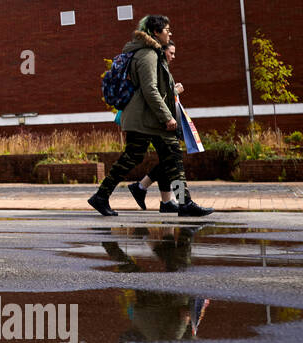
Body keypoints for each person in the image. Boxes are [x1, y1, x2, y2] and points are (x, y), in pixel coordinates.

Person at [88, 15, 213, 217]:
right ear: (156, 32)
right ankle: (183, 203)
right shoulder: (147, 54)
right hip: (147, 119)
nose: (169, 33)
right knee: (156, 158)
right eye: (167, 30)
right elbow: (150, 89)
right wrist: (167, 117)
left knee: (163, 158)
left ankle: (102, 196)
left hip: (147, 118)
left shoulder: (149, 52)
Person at [127, 41, 184, 208]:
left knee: (169, 161)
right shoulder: (156, 67)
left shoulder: (161, 68)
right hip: (160, 124)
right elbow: (154, 94)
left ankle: (161, 198)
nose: (173, 56)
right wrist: (175, 92)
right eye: (171, 53)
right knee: (174, 161)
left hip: (161, 124)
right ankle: (182, 201)